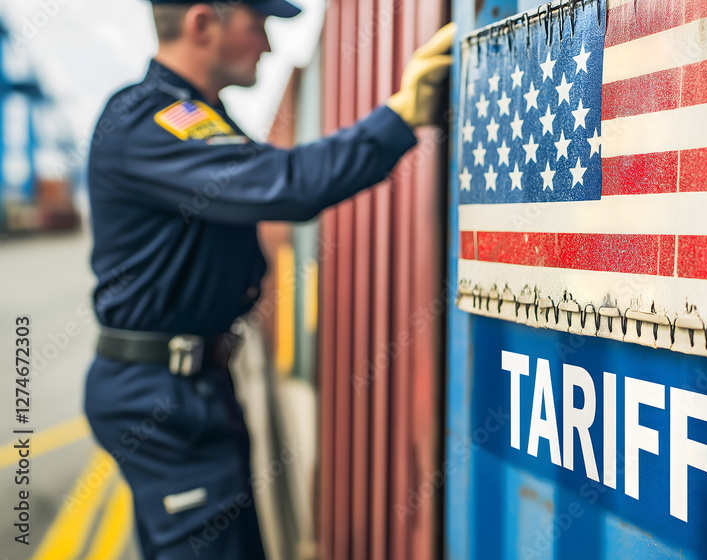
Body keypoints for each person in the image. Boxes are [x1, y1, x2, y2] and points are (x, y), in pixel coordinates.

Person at [82, 1, 453, 558]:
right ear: (203, 23)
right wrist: (399, 118)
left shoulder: (193, 116)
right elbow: (285, 184)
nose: (270, 46)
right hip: (162, 392)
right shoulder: (148, 120)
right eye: (258, 25)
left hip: (182, 381)